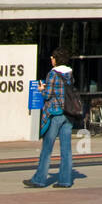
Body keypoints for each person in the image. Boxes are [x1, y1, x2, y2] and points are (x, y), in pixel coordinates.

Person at [23, 49, 76, 188]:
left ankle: (39, 179)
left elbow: (47, 95)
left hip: (55, 114)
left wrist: (41, 89)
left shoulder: (52, 74)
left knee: (47, 149)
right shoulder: (69, 74)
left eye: (52, 57)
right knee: (66, 150)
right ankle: (65, 180)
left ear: (56, 59)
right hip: (68, 115)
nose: (51, 59)